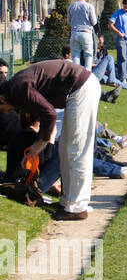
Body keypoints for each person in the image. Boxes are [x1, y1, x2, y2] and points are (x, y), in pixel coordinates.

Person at [0, 59, 101, 220]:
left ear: (1, 99)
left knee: (77, 149)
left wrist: (40, 143)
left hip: (81, 88)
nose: (4, 113)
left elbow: (50, 113)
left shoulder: (17, 89)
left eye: (1, 109)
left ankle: (77, 208)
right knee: (65, 149)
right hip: (77, 89)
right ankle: (67, 201)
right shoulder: (15, 87)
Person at [67, 0, 98, 71]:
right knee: (88, 55)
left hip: (74, 32)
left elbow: (69, 21)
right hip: (86, 32)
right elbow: (94, 22)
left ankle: (76, 75)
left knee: (75, 56)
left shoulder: (71, 6)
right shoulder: (89, 6)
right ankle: (87, 76)